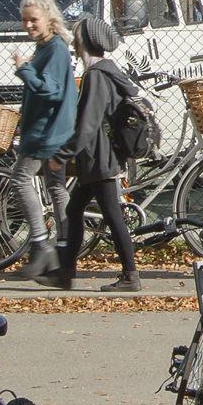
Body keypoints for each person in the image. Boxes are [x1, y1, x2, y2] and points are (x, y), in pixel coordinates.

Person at [42, 15, 141, 292]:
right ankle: (66, 273)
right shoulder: (101, 72)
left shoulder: (96, 76)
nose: (73, 41)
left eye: (76, 36)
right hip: (96, 157)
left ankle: (131, 276)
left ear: (84, 41)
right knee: (74, 210)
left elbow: (87, 124)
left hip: (99, 158)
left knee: (111, 215)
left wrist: (61, 154)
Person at [11, 0, 78, 275]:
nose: (28, 25)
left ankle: (40, 243)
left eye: (33, 20)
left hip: (46, 133)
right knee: (56, 187)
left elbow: (51, 90)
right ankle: (64, 247)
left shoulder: (53, 48)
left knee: (20, 179)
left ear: (48, 18)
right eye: (24, 20)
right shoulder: (48, 46)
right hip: (53, 131)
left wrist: (24, 69)